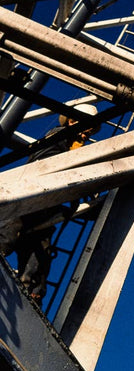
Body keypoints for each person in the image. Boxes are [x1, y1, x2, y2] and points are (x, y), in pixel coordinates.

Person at [0, 103, 99, 306]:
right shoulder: (58, 136)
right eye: (88, 127)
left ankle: (32, 297)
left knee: (39, 255)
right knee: (10, 229)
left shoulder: (75, 147)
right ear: (72, 121)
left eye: (92, 129)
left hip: (47, 211)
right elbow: (45, 161)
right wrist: (81, 165)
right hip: (29, 200)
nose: (89, 132)